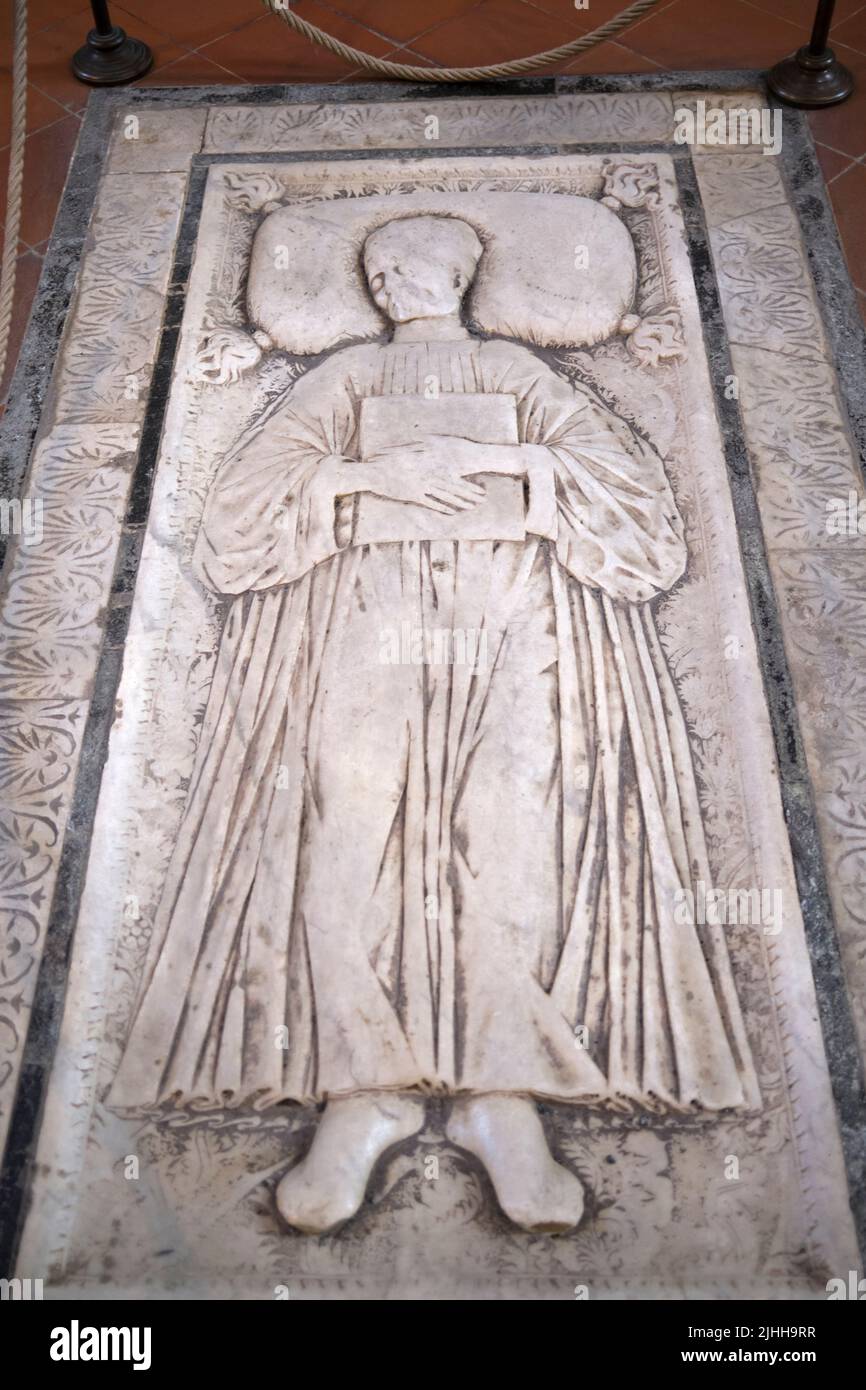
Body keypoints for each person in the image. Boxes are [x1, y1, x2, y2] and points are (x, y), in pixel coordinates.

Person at [109, 215, 759, 1235]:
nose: (388, 277)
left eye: (408, 263)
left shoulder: (516, 371)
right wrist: (368, 477)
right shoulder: (347, 378)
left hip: (514, 623)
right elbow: (237, 509)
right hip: (362, 619)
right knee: (346, 835)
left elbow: (636, 511)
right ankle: (362, 1092)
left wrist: (523, 475)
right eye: (374, 268)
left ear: (460, 272)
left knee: (509, 843)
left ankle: (500, 1097)